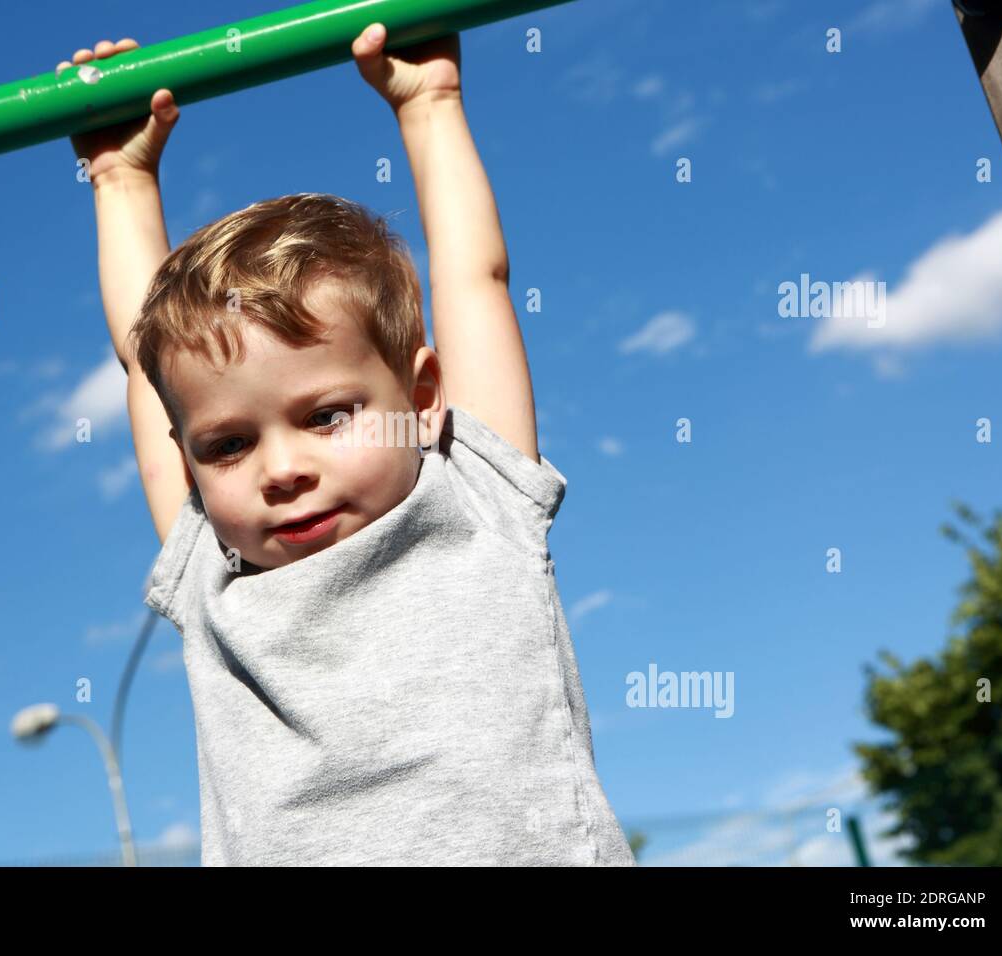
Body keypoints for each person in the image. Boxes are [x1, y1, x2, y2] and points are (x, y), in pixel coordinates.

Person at [59, 24, 635, 866]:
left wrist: (431, 105)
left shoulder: (478, 499)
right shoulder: (214, 574)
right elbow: (143, 363)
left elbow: (475, 278)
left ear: (423, 398)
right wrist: (118, 177)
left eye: (328, 415)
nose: (282, 470)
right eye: (225, 445)